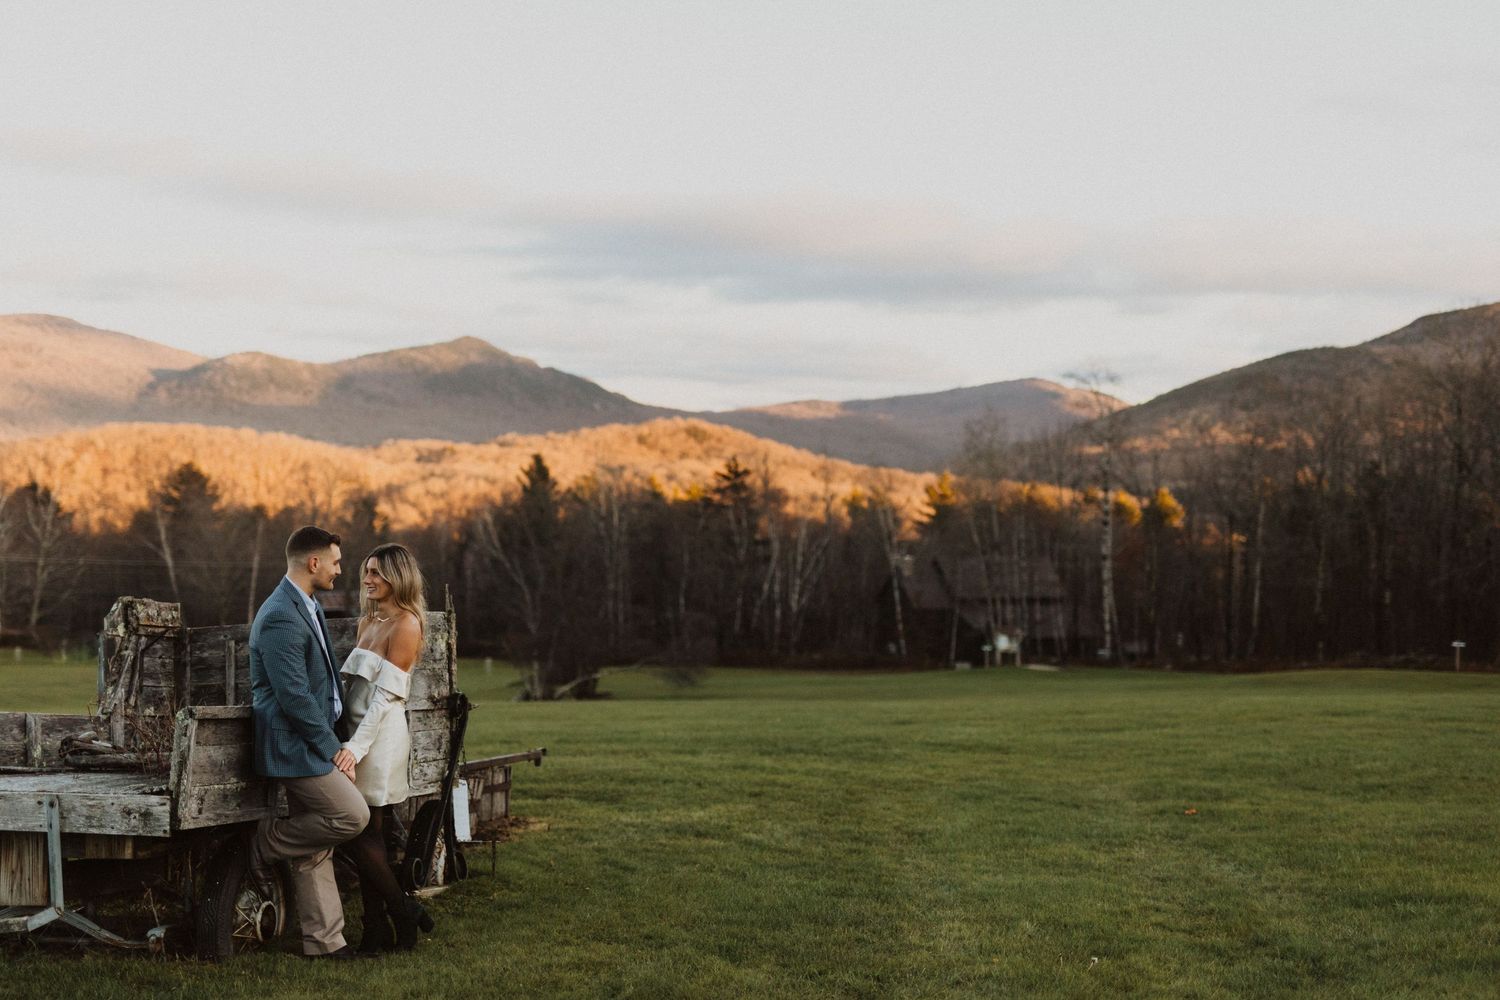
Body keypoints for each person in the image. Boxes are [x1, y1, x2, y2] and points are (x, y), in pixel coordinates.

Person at [249, 525, 371, 960]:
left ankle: (324, 942)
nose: (341, 570)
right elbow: (294, 697)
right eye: (336, 562)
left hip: (311, 740)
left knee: (314, 845)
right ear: (313, 562)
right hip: (293, 746)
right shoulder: (281, 613)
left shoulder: (308, 604)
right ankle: (263, 844)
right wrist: (332, 748)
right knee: (351, 815)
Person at [335, 542, 435, 952]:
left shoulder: (406, 625)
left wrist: (356, 749)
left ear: (398, 577)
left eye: (376, 572)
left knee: (361, 830)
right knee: (368, 833)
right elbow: (355, 689)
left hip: (380, 739)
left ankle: (396, 911)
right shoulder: (367, 622)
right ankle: (380, 928)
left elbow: (385, 699)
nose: (367, 579)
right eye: (366, 571)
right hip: (354, 735)